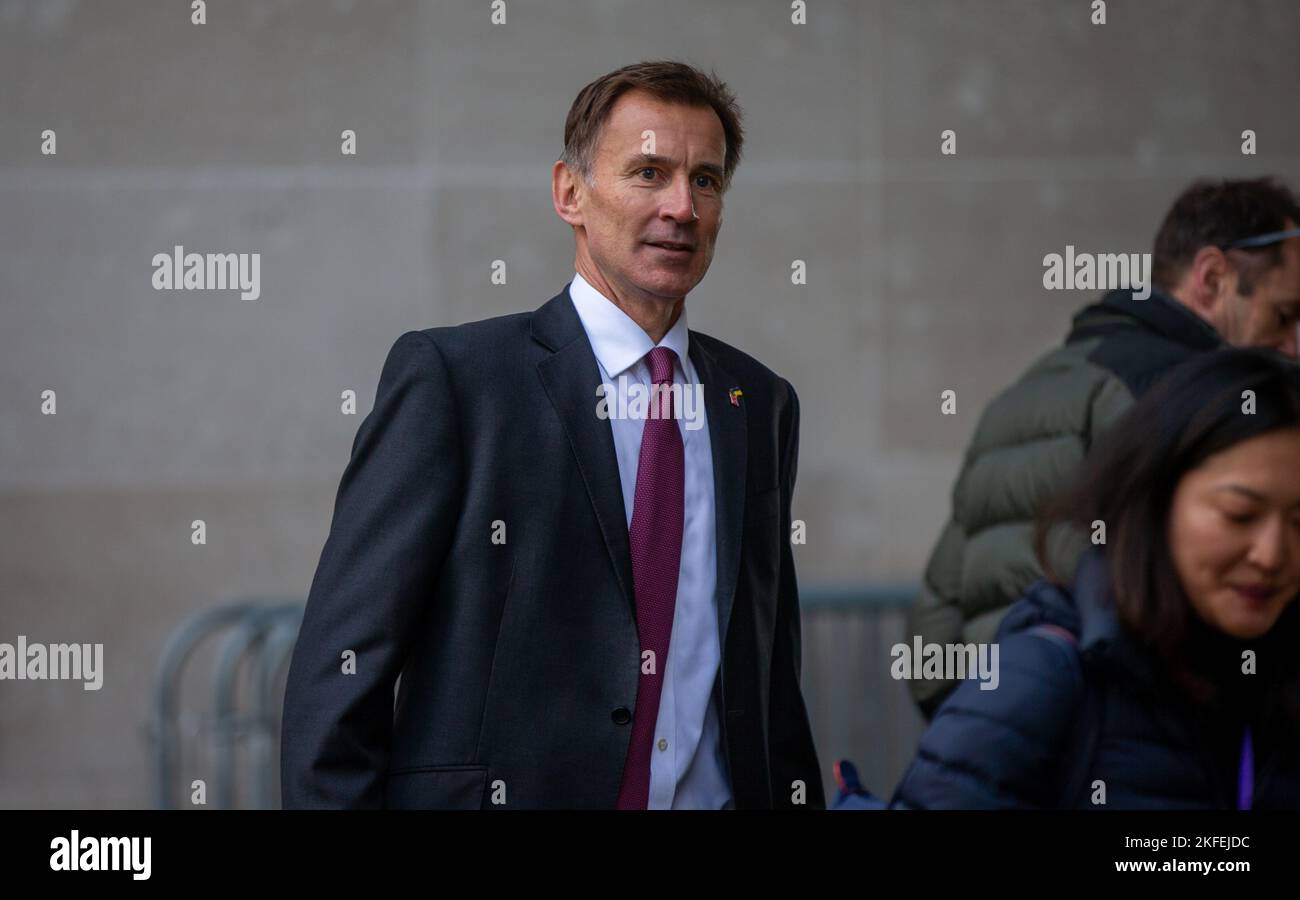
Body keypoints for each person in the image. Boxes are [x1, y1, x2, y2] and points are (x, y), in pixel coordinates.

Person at [279, 60, 824, 809]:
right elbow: (340, 673)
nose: (681, 207)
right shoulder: (457, 382)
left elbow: (770, 683)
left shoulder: (757, 403)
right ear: (570, 192)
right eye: (647, 172)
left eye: (705, 180)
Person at [909, 177, 1300, 717]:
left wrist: (979, 729)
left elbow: (934, 634)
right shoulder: (1193, 405)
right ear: (1212, 278)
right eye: (1284, 317)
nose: (1291, 347)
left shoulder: (1022, 393)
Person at [892, 347, 1300, 808]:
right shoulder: (1044, 676)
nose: (1271, 555)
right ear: (1154, 499)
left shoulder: (1273, 682)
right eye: (1240, 514)